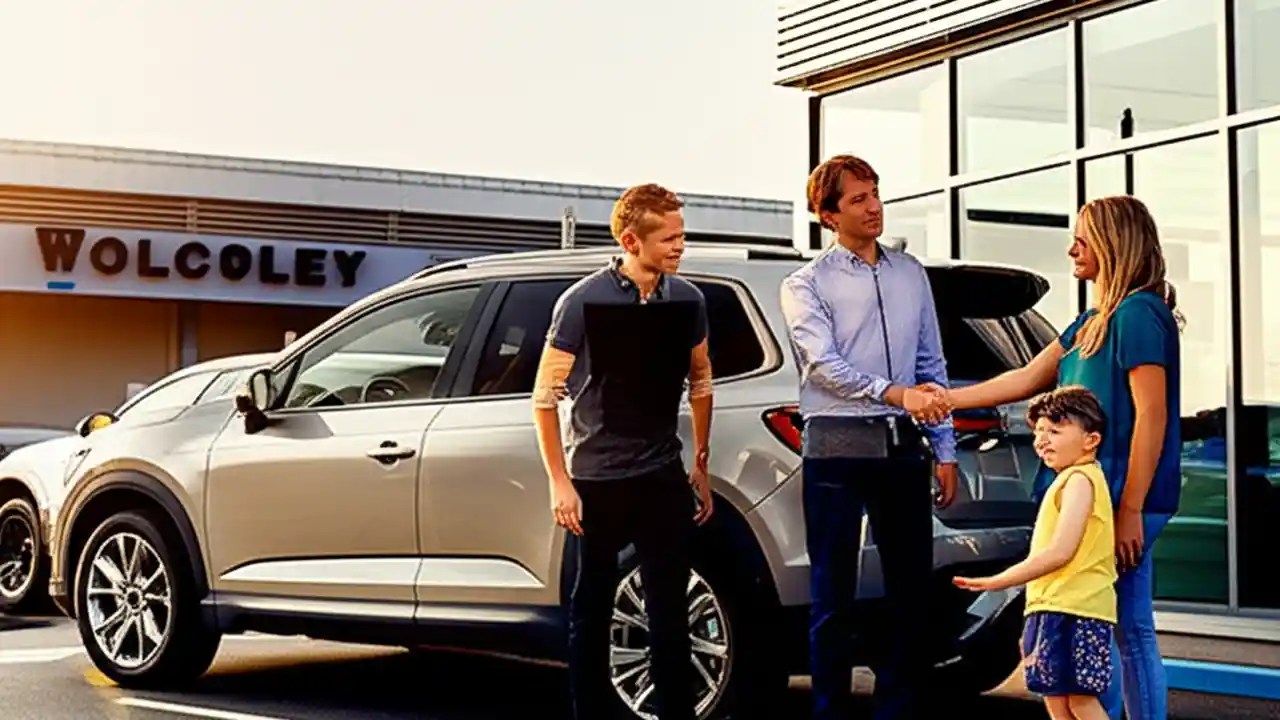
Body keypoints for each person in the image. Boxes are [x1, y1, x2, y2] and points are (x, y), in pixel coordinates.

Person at [938, 195, 1181, 720]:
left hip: (1120, 497)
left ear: (1114, 244)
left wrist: (1130, 509)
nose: (1072, 249)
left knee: (1123, 627)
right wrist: (943, 400)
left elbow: (1152, 415)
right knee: (1106, 624)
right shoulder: (1093, 320)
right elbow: (1024, 378)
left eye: (1082, 239)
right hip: (1089, 496)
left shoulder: (1139, 314)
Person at [779, 154, 957, 720]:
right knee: (833, 595)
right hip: (835, 447)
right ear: (829, 215)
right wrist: (895, 393)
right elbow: (823, 366)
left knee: (911, 593)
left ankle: (896, 710)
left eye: (876, 193)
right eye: (858, 199)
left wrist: (945, 448)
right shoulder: (805, 284)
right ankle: (830, 711)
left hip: (903, 446)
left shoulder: (910, 273)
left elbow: (931, 362)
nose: (874, 206)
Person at [531, 182, 714, 720]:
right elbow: (544, 398)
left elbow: (701, 381)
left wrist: (700, 464)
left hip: (661, 474)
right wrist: (559, 481)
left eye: (682, 235)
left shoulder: (688, 299)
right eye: (669, 238)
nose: (680, 247)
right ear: (632, 241)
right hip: (596, 479)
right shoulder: (582, 302)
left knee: (670, 608)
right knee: (591, 605)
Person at [954, 386, 1117, 720]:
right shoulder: (1068, 479)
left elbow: (1060, 551)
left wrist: (999, 581)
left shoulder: (1080, 480)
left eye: (1055, 431)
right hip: (1050, 605)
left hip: (1075, 609)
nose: (1042, 440)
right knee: (1055, 698)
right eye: (1038, 432)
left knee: (1079, 700)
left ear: (1091, 440)